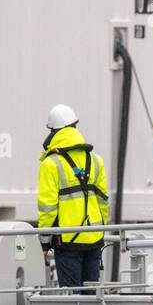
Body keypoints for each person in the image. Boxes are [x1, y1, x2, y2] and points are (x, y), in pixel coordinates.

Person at [37, 104, 110, 290]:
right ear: (74, 127)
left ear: (53, 131)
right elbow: (103, 202)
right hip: (94, 241)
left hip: (68, 243)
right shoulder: (95, 160)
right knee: (93, 300)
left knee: (73, 302)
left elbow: (47, 209)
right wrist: (100, 231)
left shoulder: (50, 164)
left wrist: (44, 244)